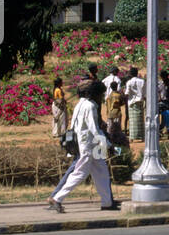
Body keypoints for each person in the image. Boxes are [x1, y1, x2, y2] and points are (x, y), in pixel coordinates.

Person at [47, 80, 121, 212]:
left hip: (87, 143)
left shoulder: (80, 104)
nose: (102, 97)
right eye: (101, 94)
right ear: (94, 94)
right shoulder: (91, 106)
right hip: (89, 145)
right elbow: (94, 129)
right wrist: (108, 145)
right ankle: (57, 198)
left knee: (102, 173)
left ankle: (107, 202)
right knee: (80, 173)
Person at [125, 67, 145, 141]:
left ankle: (132, 137)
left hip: (132, 103)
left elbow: (127, 93)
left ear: (130, 74)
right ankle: (142, 137)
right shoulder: (142, 81)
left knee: (132, 121)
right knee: (140, 120)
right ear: (137, 73)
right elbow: (144, 93)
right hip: (140, 102)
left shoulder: (129, 82)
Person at [51, 74, 68, 140]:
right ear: (59, 83)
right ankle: (60, 133)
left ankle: (56, 133)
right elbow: (60, 99)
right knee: (60, 118)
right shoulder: (58, 90)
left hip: (56, 105)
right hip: (59, 106)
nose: (62, 83)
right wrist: (64, 103)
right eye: (61, 82)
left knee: (57, 118)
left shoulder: (56, 89)